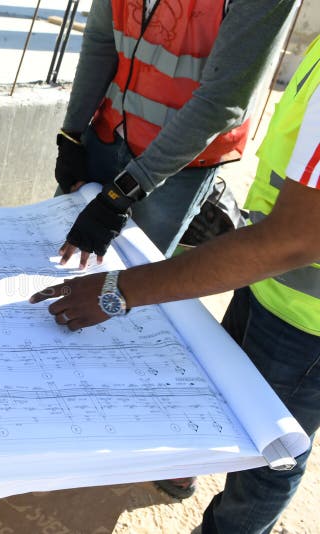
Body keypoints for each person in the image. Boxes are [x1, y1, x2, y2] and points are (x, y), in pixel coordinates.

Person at [30, 33, 320, 534]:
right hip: (273, 283)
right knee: (230, 395)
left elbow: (295, 239)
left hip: (307, 315)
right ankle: (185, 468)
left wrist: (120, 290)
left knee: (270, 456)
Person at [53, 0, 297, 270]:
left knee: (126, 283)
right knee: (49, 253)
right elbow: (102, 40)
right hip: (105, 135)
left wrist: (122, 194)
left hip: (176, 167)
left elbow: (221, 100)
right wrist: (71, 134)